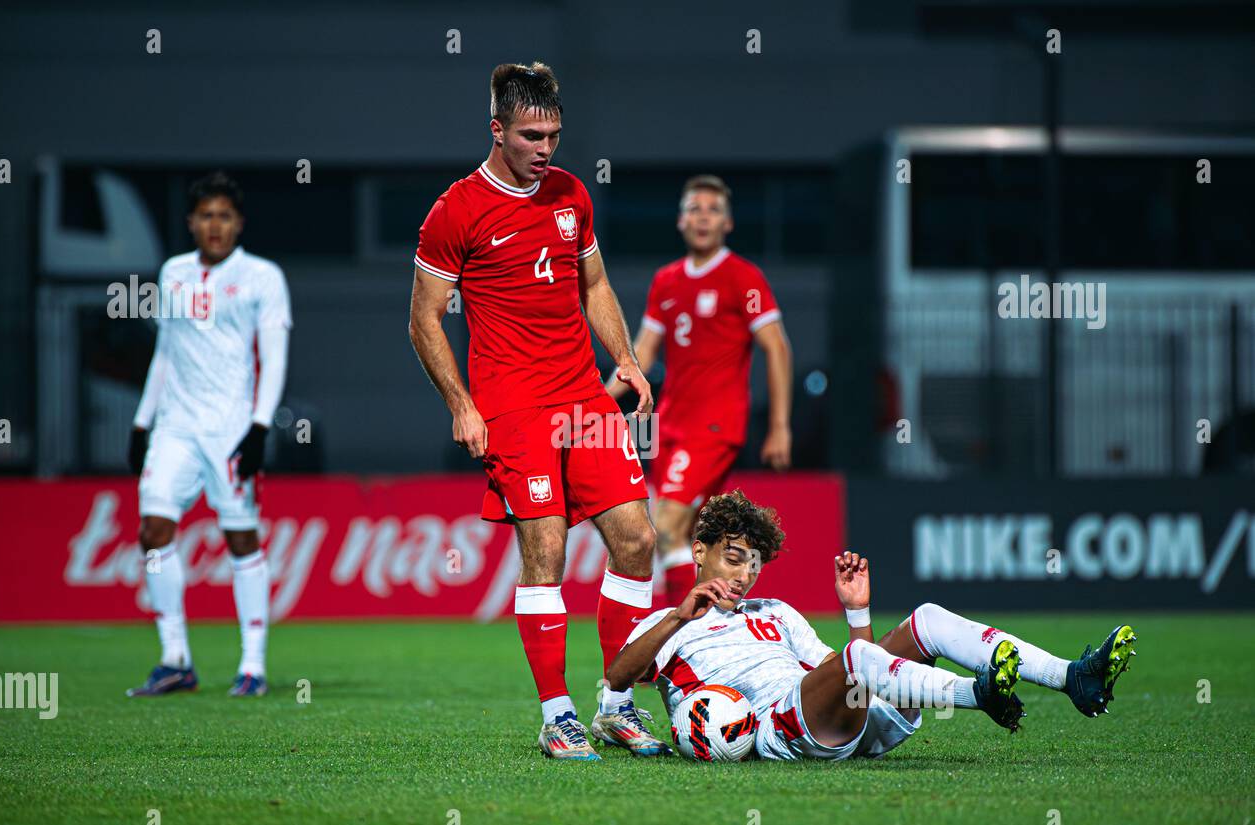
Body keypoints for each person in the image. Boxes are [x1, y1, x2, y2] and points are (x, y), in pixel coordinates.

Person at [409, 62, 667, 759]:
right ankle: (557, 714)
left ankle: (616, 703)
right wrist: (461, 405)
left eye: (553, 133)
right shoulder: (455, 210)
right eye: (530, 135)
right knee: (545, 551)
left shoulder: (570, 194)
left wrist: (626, 357)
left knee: (638, 540)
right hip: (514, 407)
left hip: (583, 396)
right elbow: (424, 319)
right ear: (497, 130)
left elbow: (596, 282)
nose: (544, 147)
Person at [606, 490, 1139, 761]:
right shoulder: (668, 625)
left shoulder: (775, 613)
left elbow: (855, 676)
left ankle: (1073, 678)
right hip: (778, 729)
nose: (744, 574)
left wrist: (857, 613)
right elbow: (618, 677)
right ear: (699, 552)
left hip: (838, 716)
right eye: (734, 558)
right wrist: (679, 615)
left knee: (926, 619)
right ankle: (979, 695)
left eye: (754, 563)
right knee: (857, 660)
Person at [126, 171, 291, 698]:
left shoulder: (263, 277)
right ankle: (174, 658)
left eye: (224, 215)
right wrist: (141, 420)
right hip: (176, 426)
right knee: (153, 531)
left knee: (241, 539)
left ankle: (253, 665)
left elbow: (274, 357)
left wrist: (260, 427)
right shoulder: (172, 273)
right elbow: (165, 353)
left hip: (230, 428)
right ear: (191, 223)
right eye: (205, 216)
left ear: (238, 223)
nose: (214, 225)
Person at [606, 175, 792, 612]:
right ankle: (707, 635)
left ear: (727, 223)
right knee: (689, 536)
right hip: (669, 427)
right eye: (694, 209)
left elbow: (777, 347)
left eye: (712, 210)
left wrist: (780, 426)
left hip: (713, 426)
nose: (702, 217)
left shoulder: (742, 278)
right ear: (680, 220)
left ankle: (675, 639)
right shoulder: (666, 281)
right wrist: (594, 399)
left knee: (666, 526)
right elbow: (642, 357)